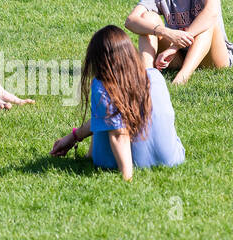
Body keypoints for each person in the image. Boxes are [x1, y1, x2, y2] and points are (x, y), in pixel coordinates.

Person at [51, 26, 185, 180]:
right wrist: (74, 136)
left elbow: (118, 134)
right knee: (108, 114)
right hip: (173, 158)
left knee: (106, 118)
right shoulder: (155, 76)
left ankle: (92, 157)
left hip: (122, 162)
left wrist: (127, 177)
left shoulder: (102, 86)